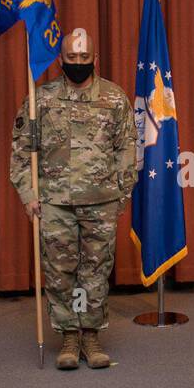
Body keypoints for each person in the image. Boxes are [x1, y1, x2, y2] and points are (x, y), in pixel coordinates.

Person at [10, 30, 137, 369]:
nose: (78, 64)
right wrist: (28, 194)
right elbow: (22, 152)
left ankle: (91, 335)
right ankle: (69, 336)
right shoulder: (41, 99)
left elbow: (127, 148)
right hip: (55, 202)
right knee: (60, 271)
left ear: (95, 59)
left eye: (84, 58)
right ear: (61, 59)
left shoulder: (114, 98)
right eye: (71, 58)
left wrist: (122, 193)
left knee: (95, 270)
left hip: (101, 201)